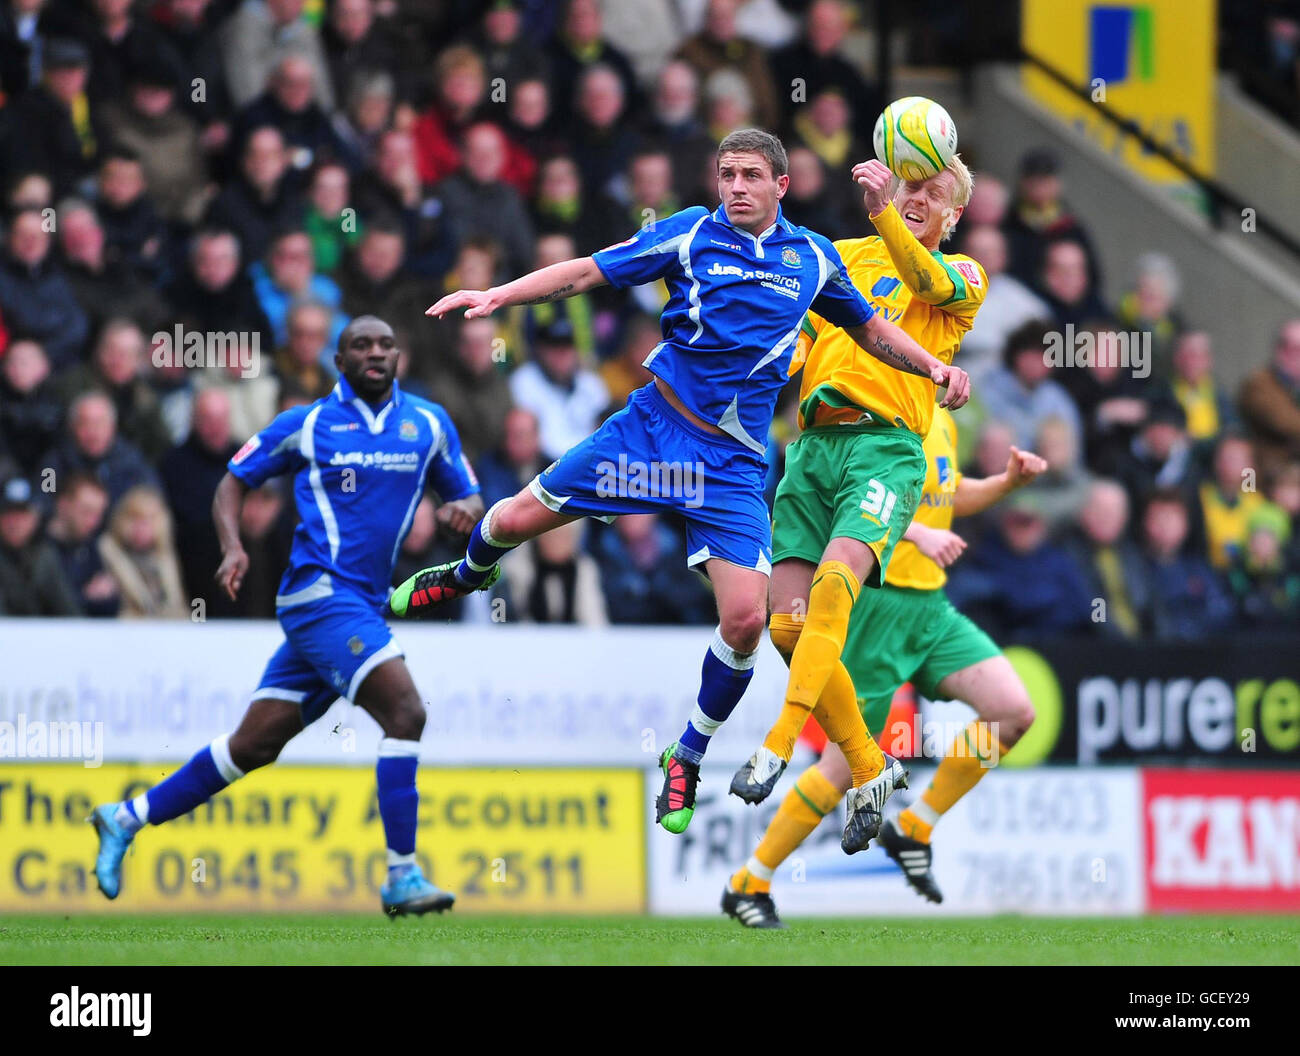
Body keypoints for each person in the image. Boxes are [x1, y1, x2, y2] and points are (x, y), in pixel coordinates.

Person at [386, 129, 967, 841]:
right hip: (651, 435)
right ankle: (467, 573)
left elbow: (874, 328)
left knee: (750, 621)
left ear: (781, 186)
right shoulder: (691, 233)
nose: (736, 187)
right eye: (727, 174)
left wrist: (933, 370)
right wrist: (498, 294)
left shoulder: (812, 257)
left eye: (751, 174)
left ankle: (686, 752)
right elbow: (587, 273)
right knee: (508, 522)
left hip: (730, 466)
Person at [89, 316, 483, 917]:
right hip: (319, 595)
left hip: (361, 603)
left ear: (398, 355)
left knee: (252, 745)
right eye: (361, 345)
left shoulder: (428, 424)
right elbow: (232, 480)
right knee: (405, 711)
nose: (375, 353)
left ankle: (125, 817)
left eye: (385, 344)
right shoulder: (307, 424)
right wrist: (234, 546)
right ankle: (402, 876)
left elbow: (468, 496)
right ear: (339, 360)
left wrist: (462, 510)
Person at [730, 151, 980, 855]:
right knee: (783, 624)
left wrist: (880, 216)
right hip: (810, 450)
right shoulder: (837, 256)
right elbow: (798, 338)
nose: (917, 198)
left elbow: (926, 276)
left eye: (935, 193)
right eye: (910, 186)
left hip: (884, 448)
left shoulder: (962, 277)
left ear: (954, 215)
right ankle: (870, 766)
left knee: (837, 583)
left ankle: (779, 743)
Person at [724, 406, 1043, 926]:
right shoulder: (875, 401)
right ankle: (750, 881)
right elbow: (848, 497)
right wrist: (914, 534)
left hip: (931, 610)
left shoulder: (940, 415)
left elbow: (947, 494)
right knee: (840, 766)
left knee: (1013, 712)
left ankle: (917, 825)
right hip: (879, 607)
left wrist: (1007, 482)